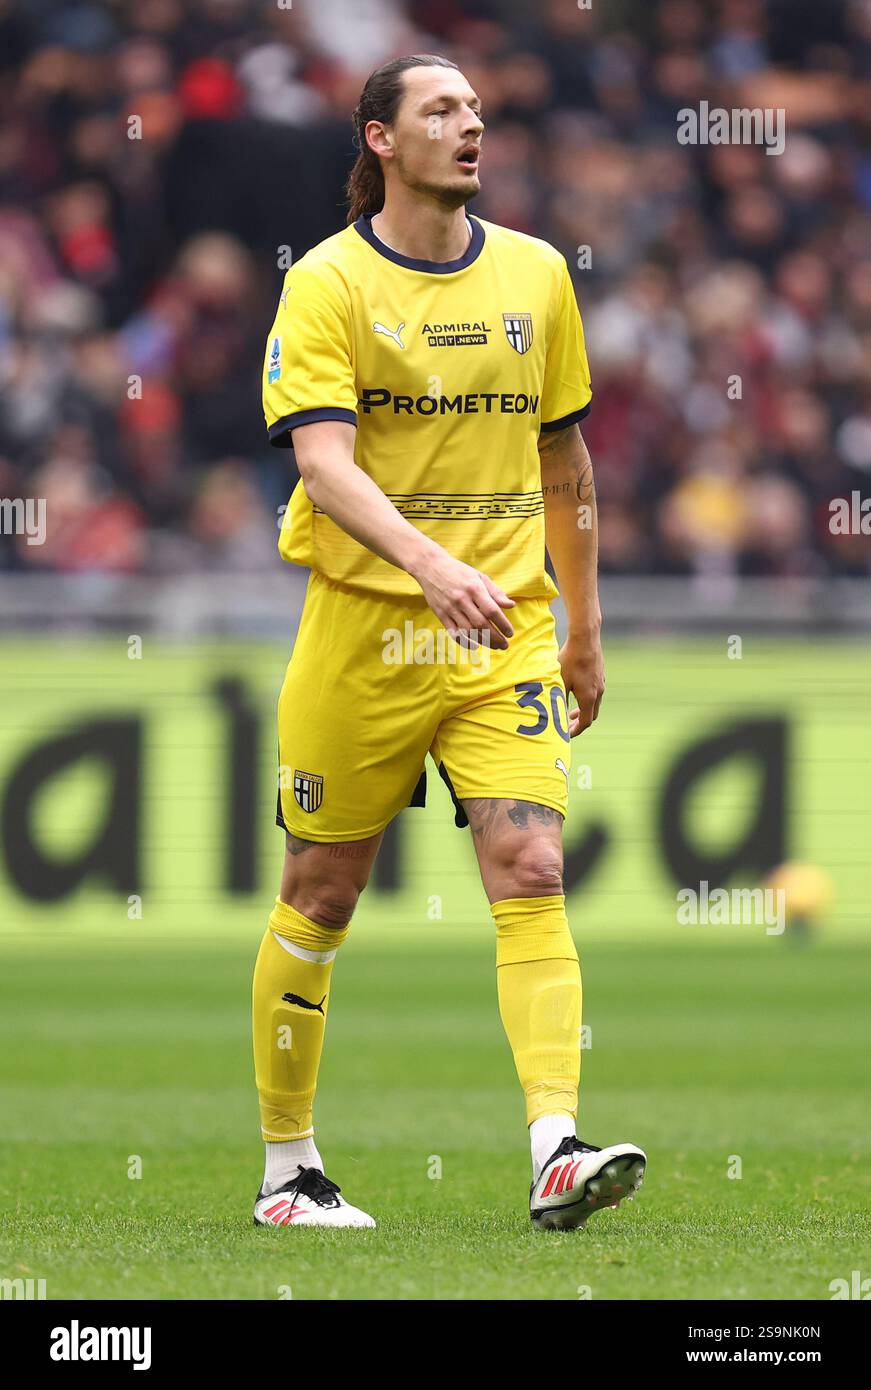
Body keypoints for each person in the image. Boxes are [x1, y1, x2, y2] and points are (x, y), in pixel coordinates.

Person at [252, 53, 646, 1230]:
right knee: (321, 891)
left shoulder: (535, 274)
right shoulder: (326, 283)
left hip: (503, 638)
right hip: (366, 631)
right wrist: (430, 565)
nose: (469, 125)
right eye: (440, 109)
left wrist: (580, 626)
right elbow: (323, 465)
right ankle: (288, 1173)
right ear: (380, 138)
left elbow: (564, 463)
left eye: (476, 109)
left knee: (531, 868)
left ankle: (555, 1147)